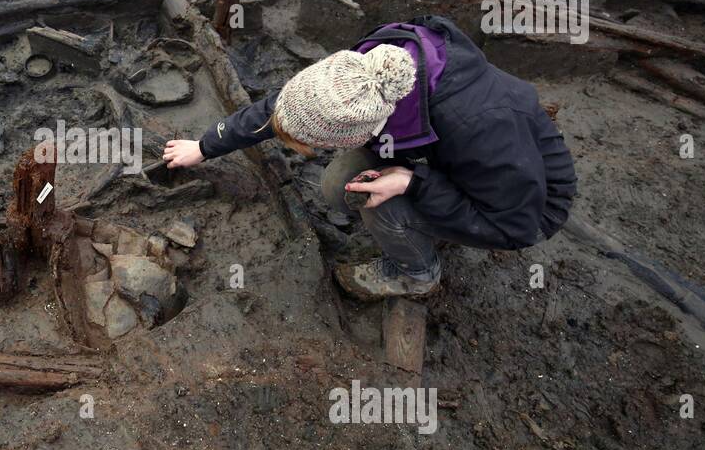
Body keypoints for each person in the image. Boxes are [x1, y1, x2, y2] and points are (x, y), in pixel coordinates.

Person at [162, 16, 577, 300]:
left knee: (380, 208)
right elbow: (287, 109)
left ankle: (416, 275)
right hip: (447, 155)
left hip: (527, 208)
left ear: (362, 130)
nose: (314, 147)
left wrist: (412, 183)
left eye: (320, 143)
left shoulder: (481, 129)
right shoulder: (368, 69)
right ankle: (421, 215)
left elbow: (516, 227)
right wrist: (204, 146)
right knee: (338, 185)